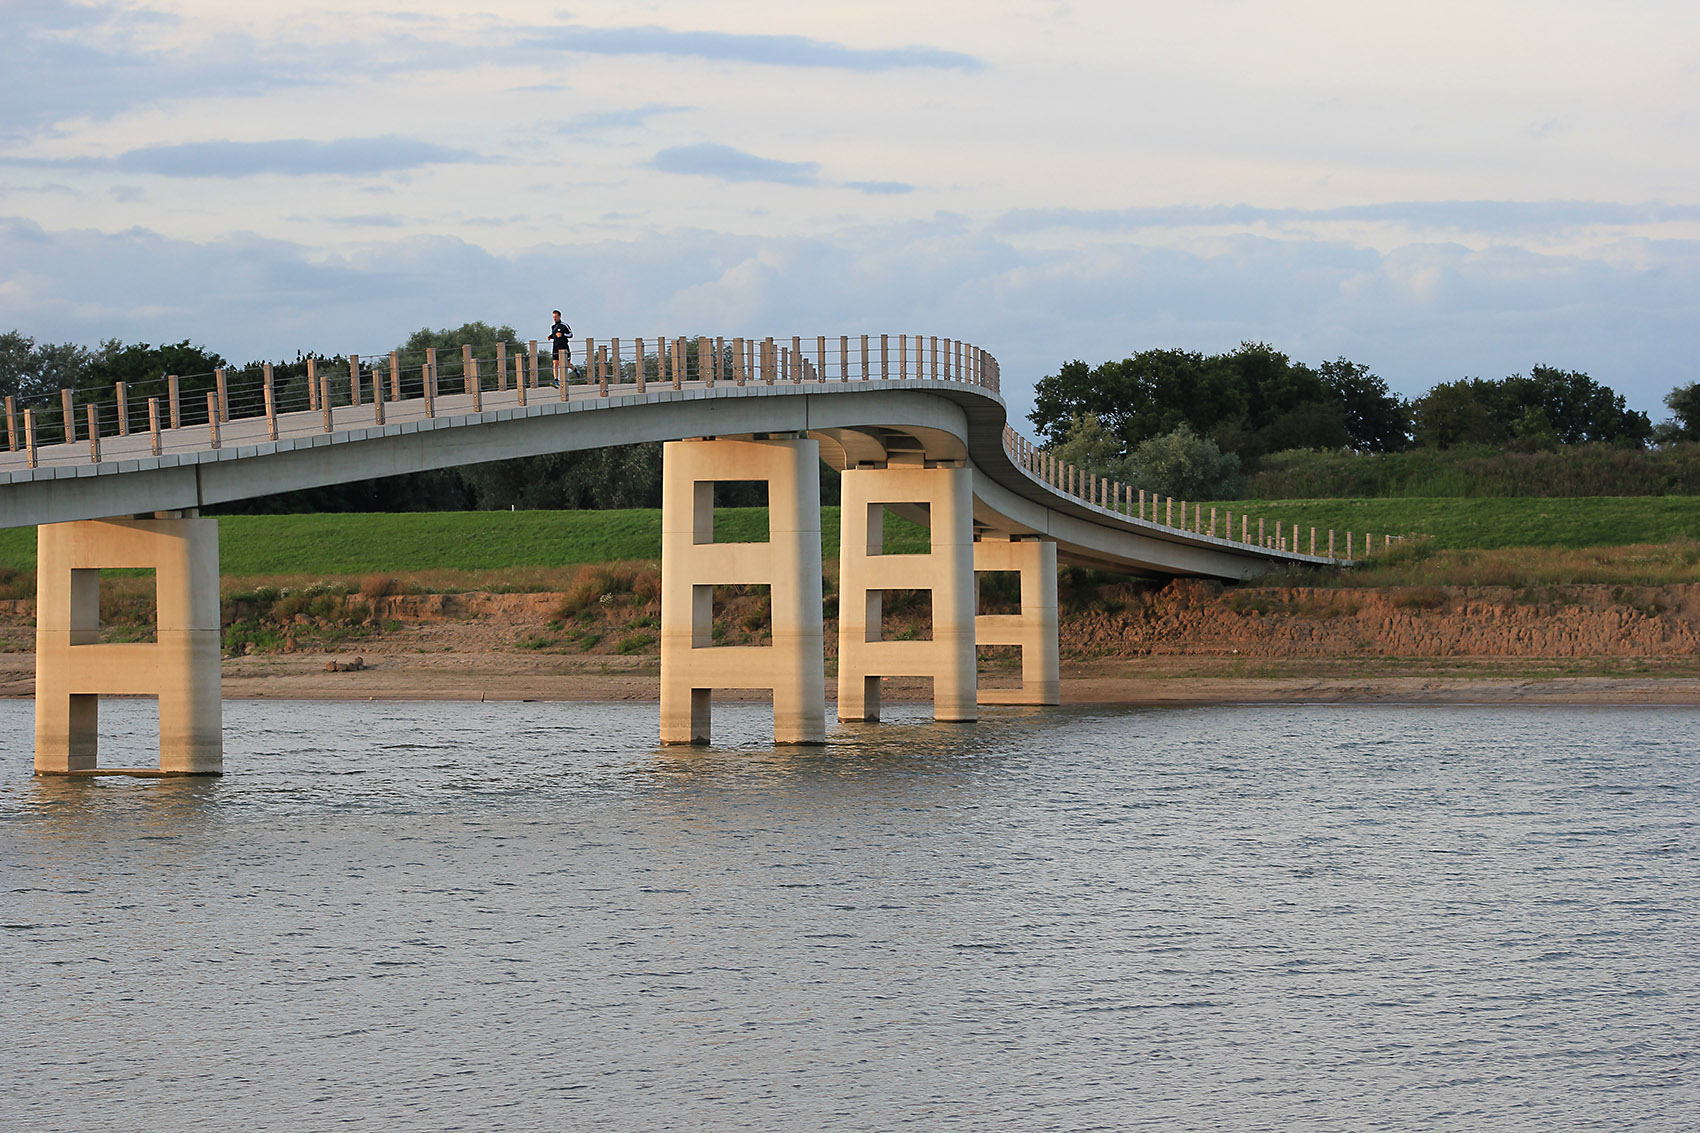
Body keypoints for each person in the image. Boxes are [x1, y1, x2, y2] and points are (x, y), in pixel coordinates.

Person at [548, 310, 572, 384]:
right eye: (553, 317)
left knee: (567, 364)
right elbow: (554, 335)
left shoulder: (564, 325)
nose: (554, 319)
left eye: (556, 317)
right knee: (555, 363)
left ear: (559, 316)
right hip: (555, 347)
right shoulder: (553, 327)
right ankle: (556, 380)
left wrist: (563, 335)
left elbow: (571, 334)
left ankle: (574, 369)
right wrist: (550, 336)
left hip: (564, 347)